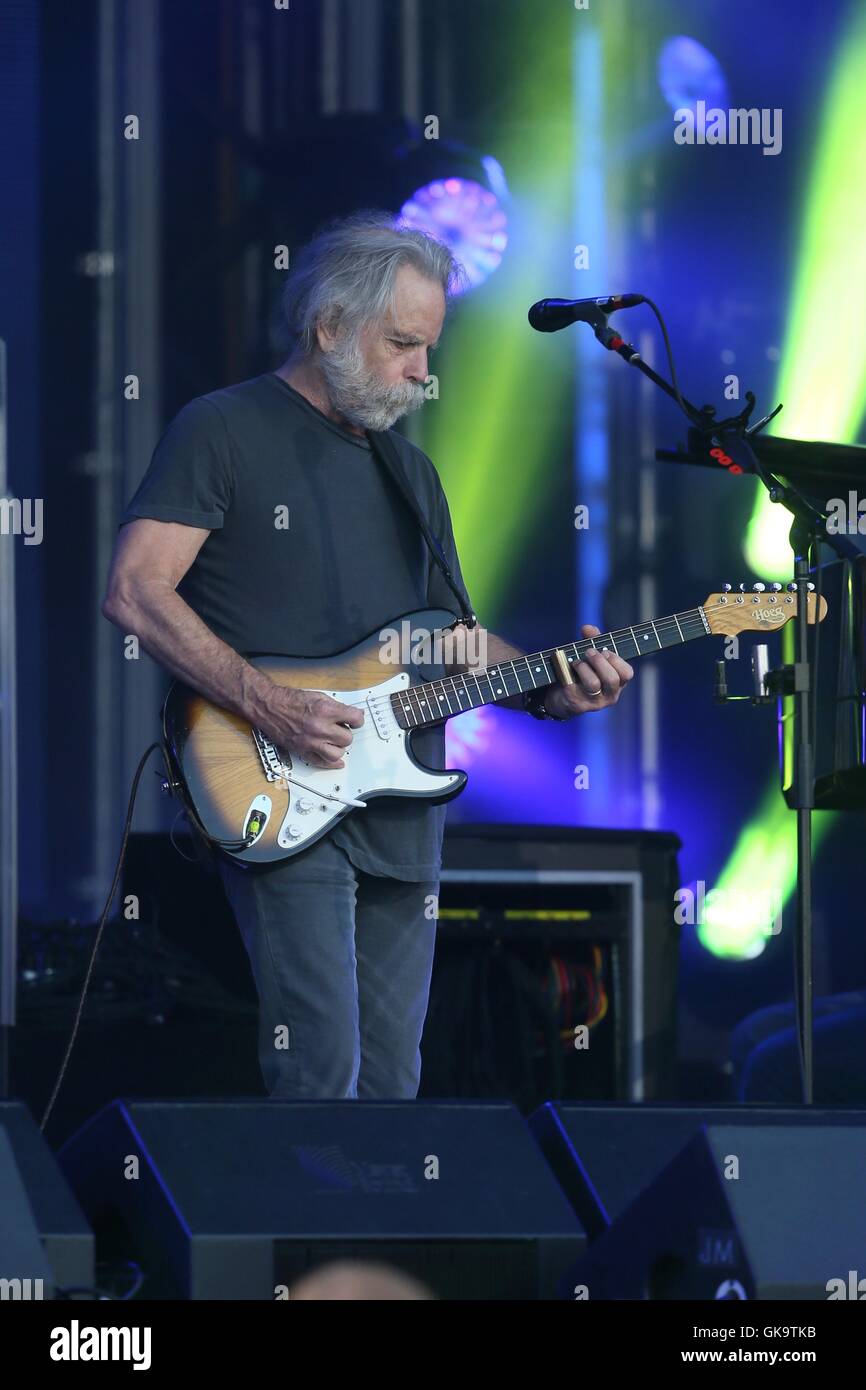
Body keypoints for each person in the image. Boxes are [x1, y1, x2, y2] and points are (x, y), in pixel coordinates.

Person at [102, 210, 634, 1100]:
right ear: (329, 328)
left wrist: (551, 689)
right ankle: (313, 1246)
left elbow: (449, 644)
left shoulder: (410, 475)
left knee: (392, 1083)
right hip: (278, 780)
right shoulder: (223, 428)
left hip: (402, 807)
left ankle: (372, 1243)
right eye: (403, 346)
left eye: (429, 348)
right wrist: (266, 702)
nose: (424, 373)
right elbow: (135, 590)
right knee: (322, 1069)